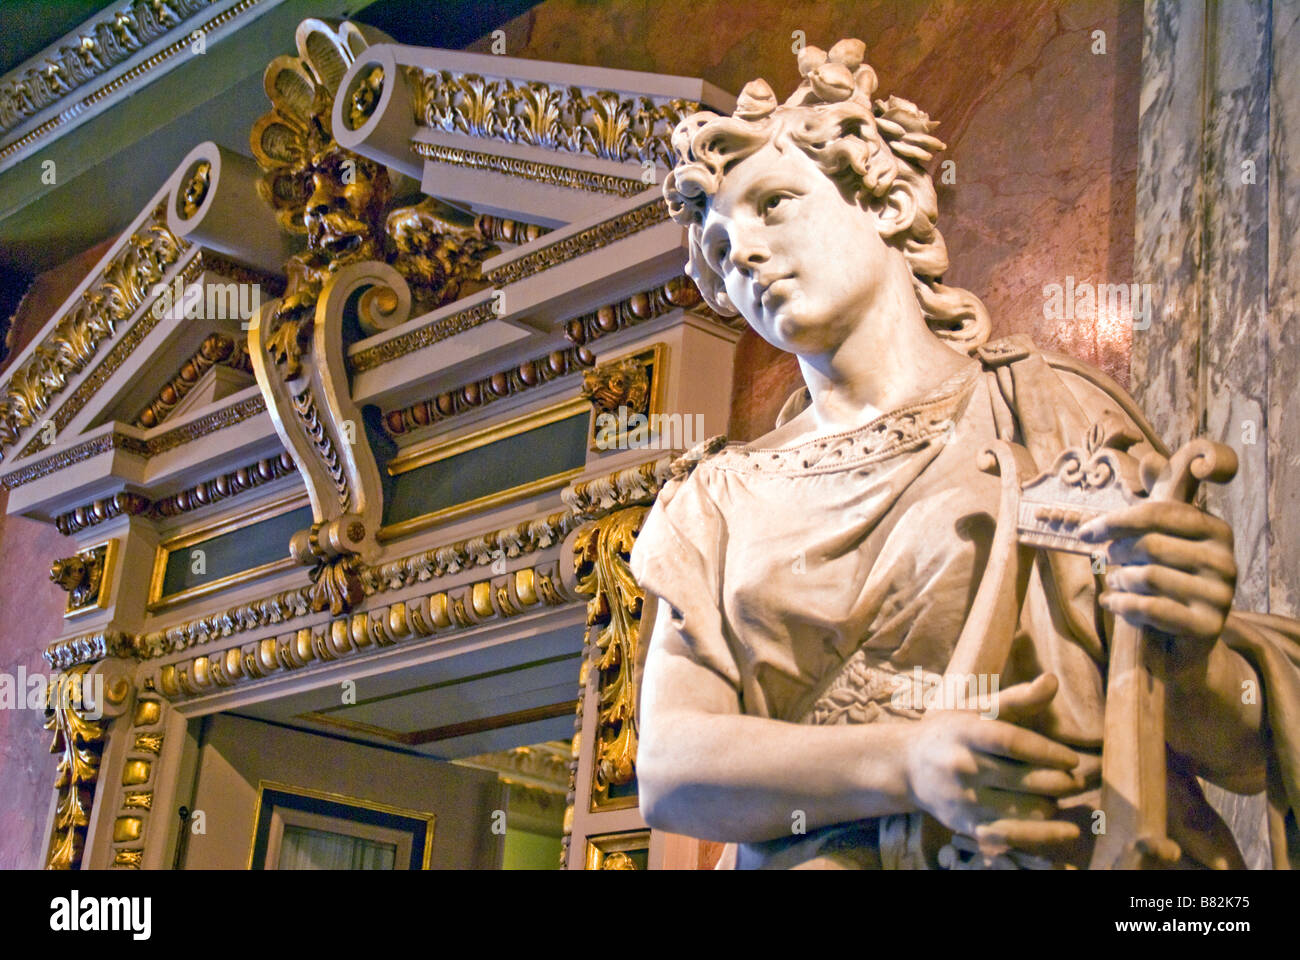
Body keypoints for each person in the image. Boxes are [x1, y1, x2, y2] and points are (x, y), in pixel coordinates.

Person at [629, 39, 1300, 869]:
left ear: (884, 200)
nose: (747, 256)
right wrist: (904, 764)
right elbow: (669, 768)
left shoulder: (1048, 417)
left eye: (773, 203)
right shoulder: (716, 500)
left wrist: (1190, 652)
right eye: (722, 253)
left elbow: (1229, 748)